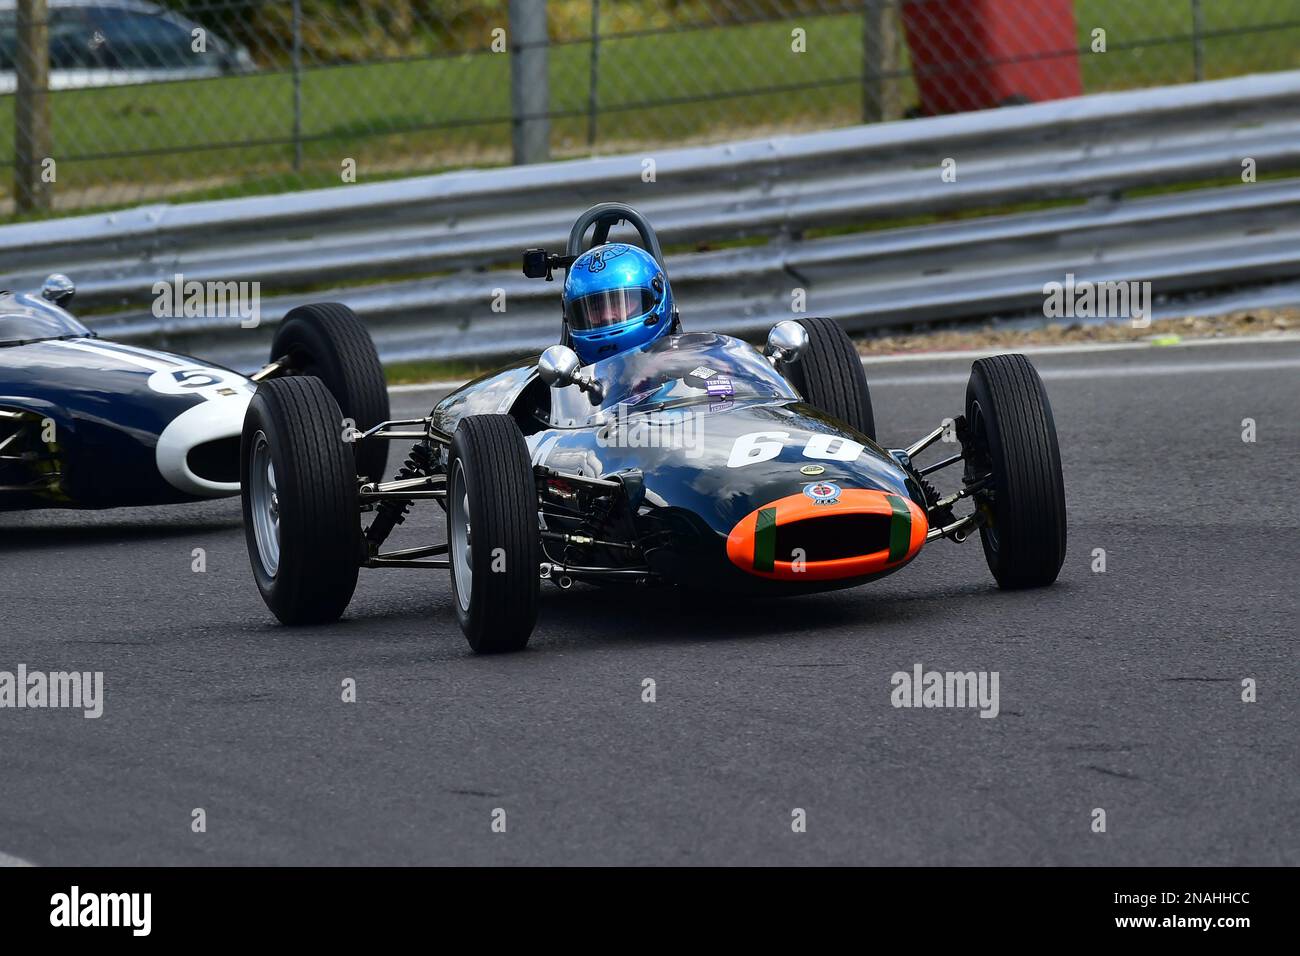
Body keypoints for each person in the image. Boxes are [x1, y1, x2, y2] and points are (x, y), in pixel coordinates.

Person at [562, 243, 675, 364]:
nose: (607, 316)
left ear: (655, 298)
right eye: (595, 309)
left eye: (619, 304)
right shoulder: (560, 377)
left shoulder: (690, 372)